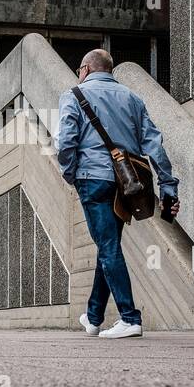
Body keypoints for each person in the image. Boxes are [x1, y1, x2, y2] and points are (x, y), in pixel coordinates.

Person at [53, 49, 179, 339]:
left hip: (92, 179)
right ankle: (94, 316)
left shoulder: (73, 95)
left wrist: (71, 174)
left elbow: (66, 143)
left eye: (79, 70)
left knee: (108, 247)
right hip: (127, 184)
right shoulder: (133, 98)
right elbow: (155, 146)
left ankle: (129, 317)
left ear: (85, 68)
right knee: (108, 245)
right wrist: (168, 185)